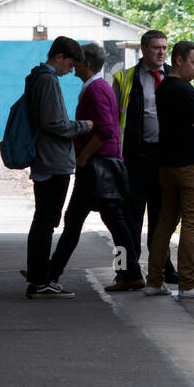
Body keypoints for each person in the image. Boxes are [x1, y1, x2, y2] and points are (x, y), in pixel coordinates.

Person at [43, 43, 144, 295]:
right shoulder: (98, 86)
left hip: (98, 166)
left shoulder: (96, 90)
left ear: (85, 63)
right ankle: (50, 272)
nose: (72, 66)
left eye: (76, 61)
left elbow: (105, 130)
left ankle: (130, 273)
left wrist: (83, 158)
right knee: (88, 222)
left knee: (105, 223)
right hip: (101, 164)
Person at [144, 40, 194, 298]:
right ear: (179, 60)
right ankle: (188, 284)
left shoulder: (163, 87)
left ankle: (154, 281)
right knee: (192, 224)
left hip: (166, 165)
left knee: (165, 222)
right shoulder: (186, 90)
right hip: (190, 166)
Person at [25, 36, 93, 298]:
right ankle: (41, 282)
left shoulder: (35, 77)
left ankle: (38, 278)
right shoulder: (48, 80)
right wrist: (83, 126)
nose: (71, 70)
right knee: (46, 221)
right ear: (59, 57)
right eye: (70, 64)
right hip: (53, 161)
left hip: (44, 159)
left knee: (43, 219)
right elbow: (55, 123)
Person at [113, 30, 178, 284]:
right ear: (143, 49)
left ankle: (164, 267)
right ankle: (123, 270)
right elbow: (112, 118)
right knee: (127, 219)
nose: (161, 52)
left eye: (164, 47)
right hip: (134, 158)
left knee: (163, 218)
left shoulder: (174, 76)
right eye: (155, 48)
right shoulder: (124, 78)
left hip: (164, 158)